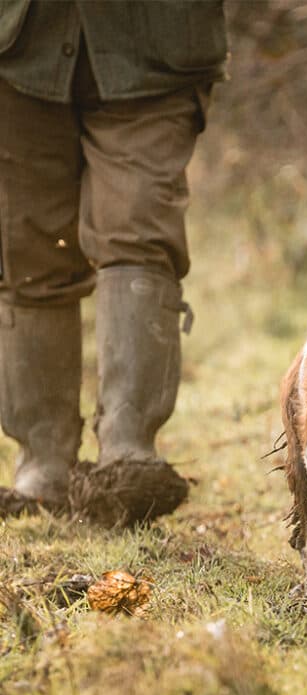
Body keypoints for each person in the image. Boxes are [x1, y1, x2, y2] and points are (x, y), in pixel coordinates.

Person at [0, 0, 228, 523]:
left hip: (155, 47)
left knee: (139, 231)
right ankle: (43, 461)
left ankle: (128, 452)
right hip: (18, 47)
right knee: (27, 251)